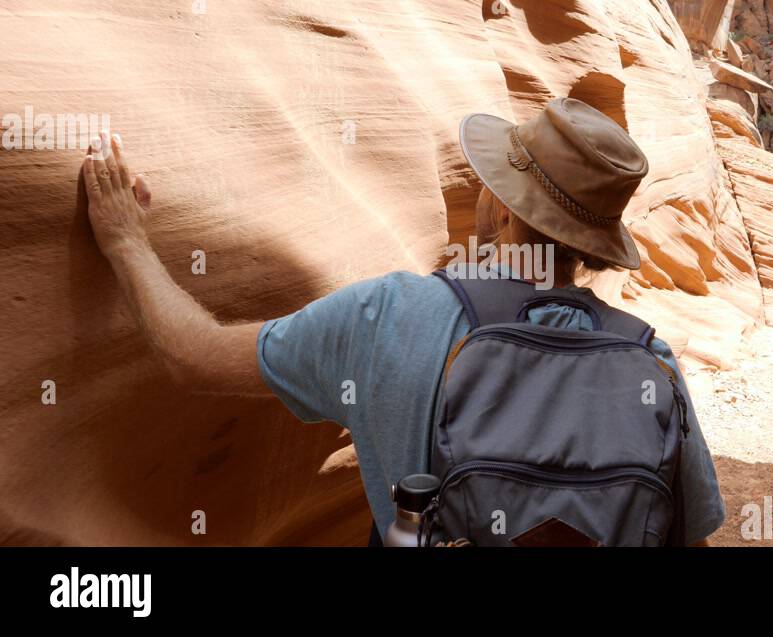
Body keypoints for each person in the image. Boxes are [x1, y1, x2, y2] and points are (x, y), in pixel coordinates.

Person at [79, 97, 725, 546]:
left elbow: (193, 356)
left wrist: (126, 245)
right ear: (594, 243)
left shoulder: (389, 315)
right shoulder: (652, 363)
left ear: (502, 206)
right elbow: (688, 536)